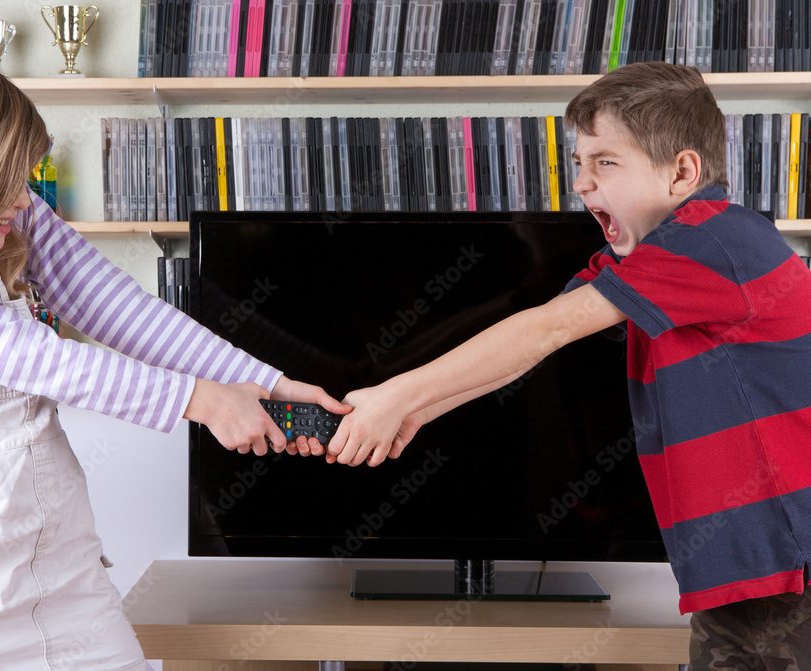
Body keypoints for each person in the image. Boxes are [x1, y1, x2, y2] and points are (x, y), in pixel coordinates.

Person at [0, 57, 346, 670]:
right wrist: (204, 402)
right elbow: (41, 360)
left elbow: (122, 311)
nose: (23, 198)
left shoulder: (12, 217)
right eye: (5, 181)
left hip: (72, 598)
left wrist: (268, 385)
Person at [326, 61, 811, 667]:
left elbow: (546, 330)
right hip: (743, 573)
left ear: (682, 172)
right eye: (578, 163)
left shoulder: (714, 241)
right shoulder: (647, 260)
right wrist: (415, 412)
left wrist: (396, 397)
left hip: (794, 564)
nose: (581, 183)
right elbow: (531, 342)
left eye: (605, 162)